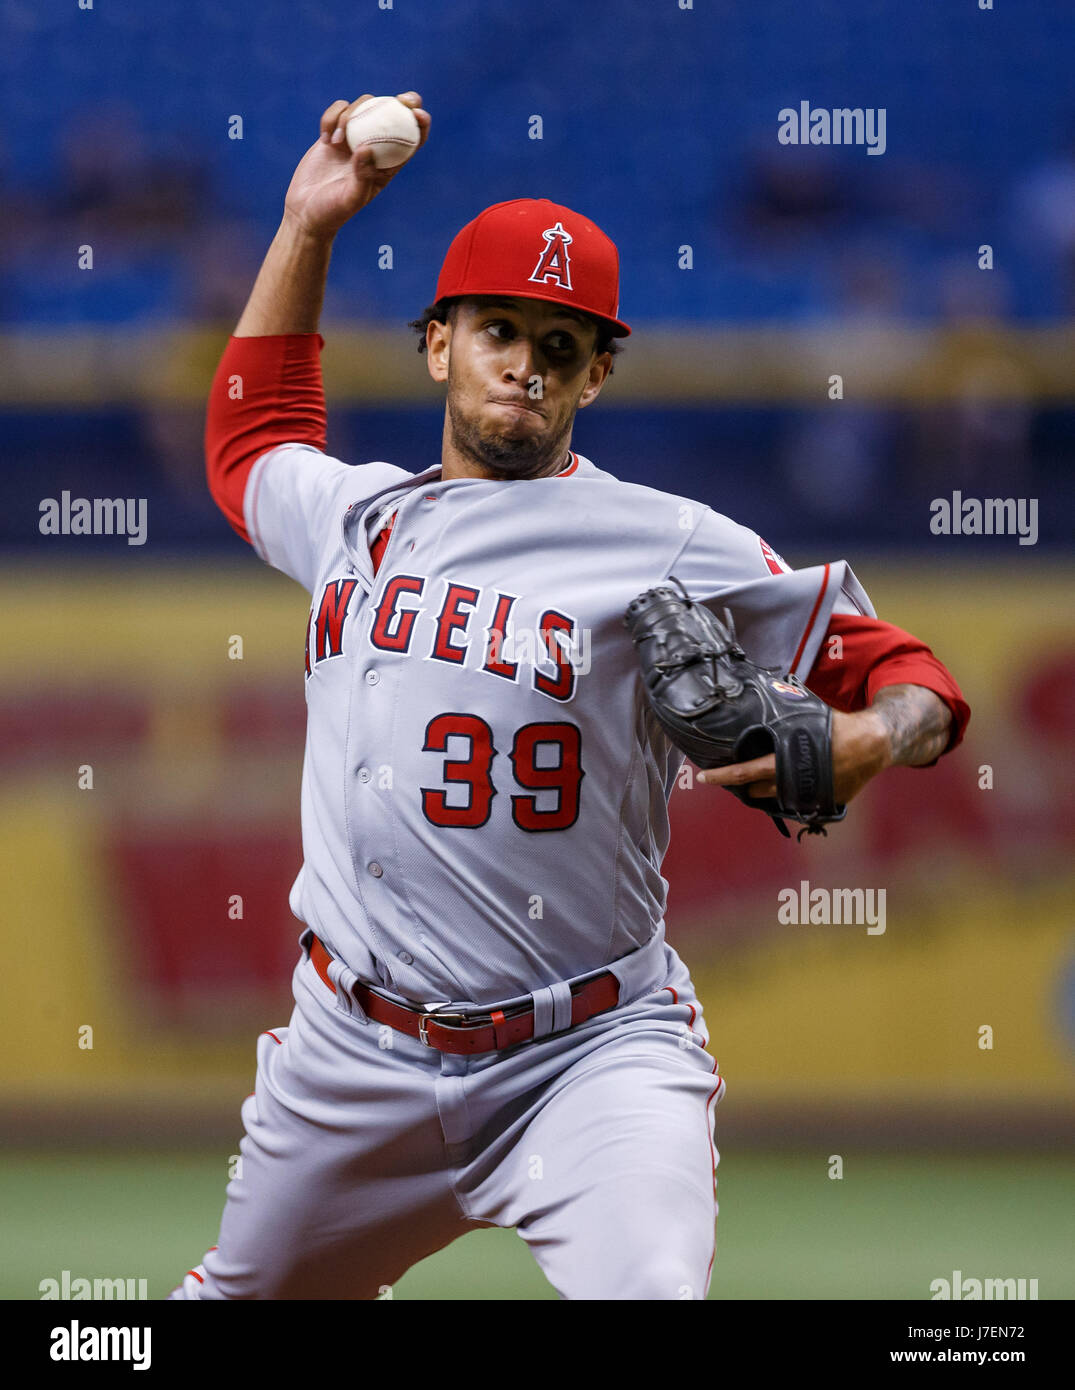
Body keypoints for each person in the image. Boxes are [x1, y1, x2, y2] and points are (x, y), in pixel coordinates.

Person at [172, 92, 969, 1300]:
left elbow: (908, 674)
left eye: (560, 348)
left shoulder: (666, 539)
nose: (525, 367)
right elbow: (249, 442)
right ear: (440, 342)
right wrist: (307, 227)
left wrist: (871, 733)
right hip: (351, 1051)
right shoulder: (357, 520)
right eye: (500, 329)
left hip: (588, 1051)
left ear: (595, 376)